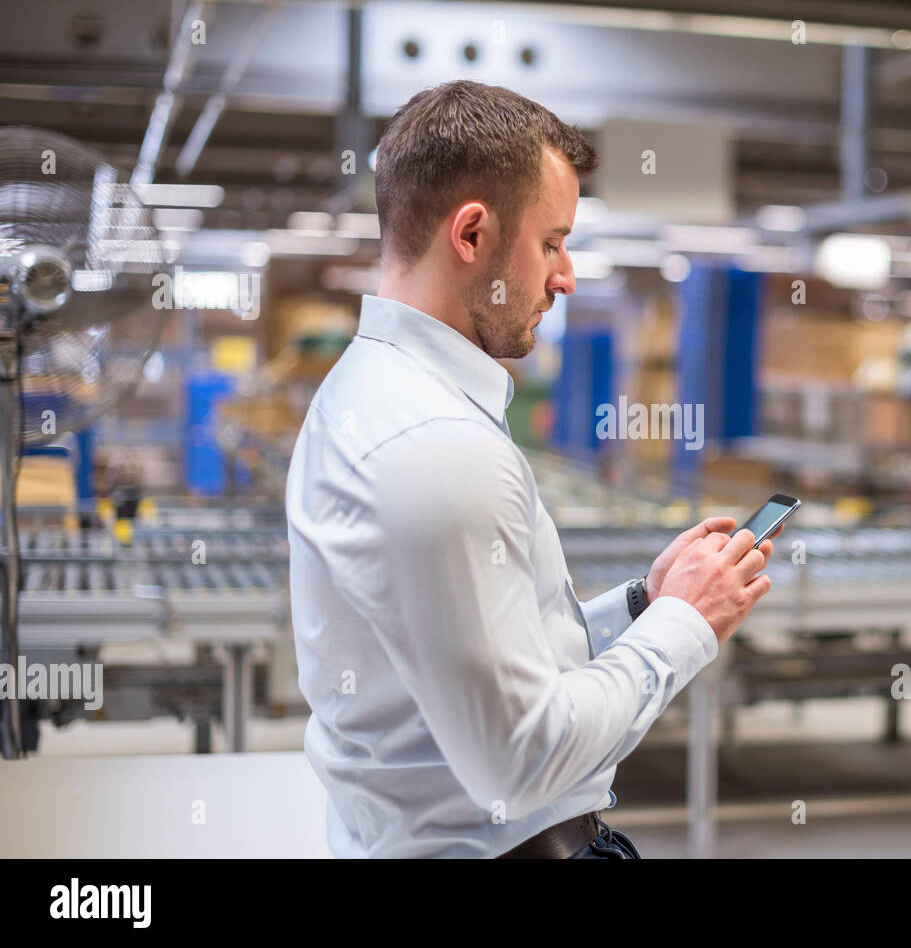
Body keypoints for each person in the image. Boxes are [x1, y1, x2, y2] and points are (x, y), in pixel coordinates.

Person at [286, 80, 777, 858]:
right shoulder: (436, 443)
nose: (566, 275)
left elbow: (486, 658)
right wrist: (689, 624)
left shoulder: (374, 393)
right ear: (473, 234)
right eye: (552, 241)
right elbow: (519, 757)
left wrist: (647, 602)